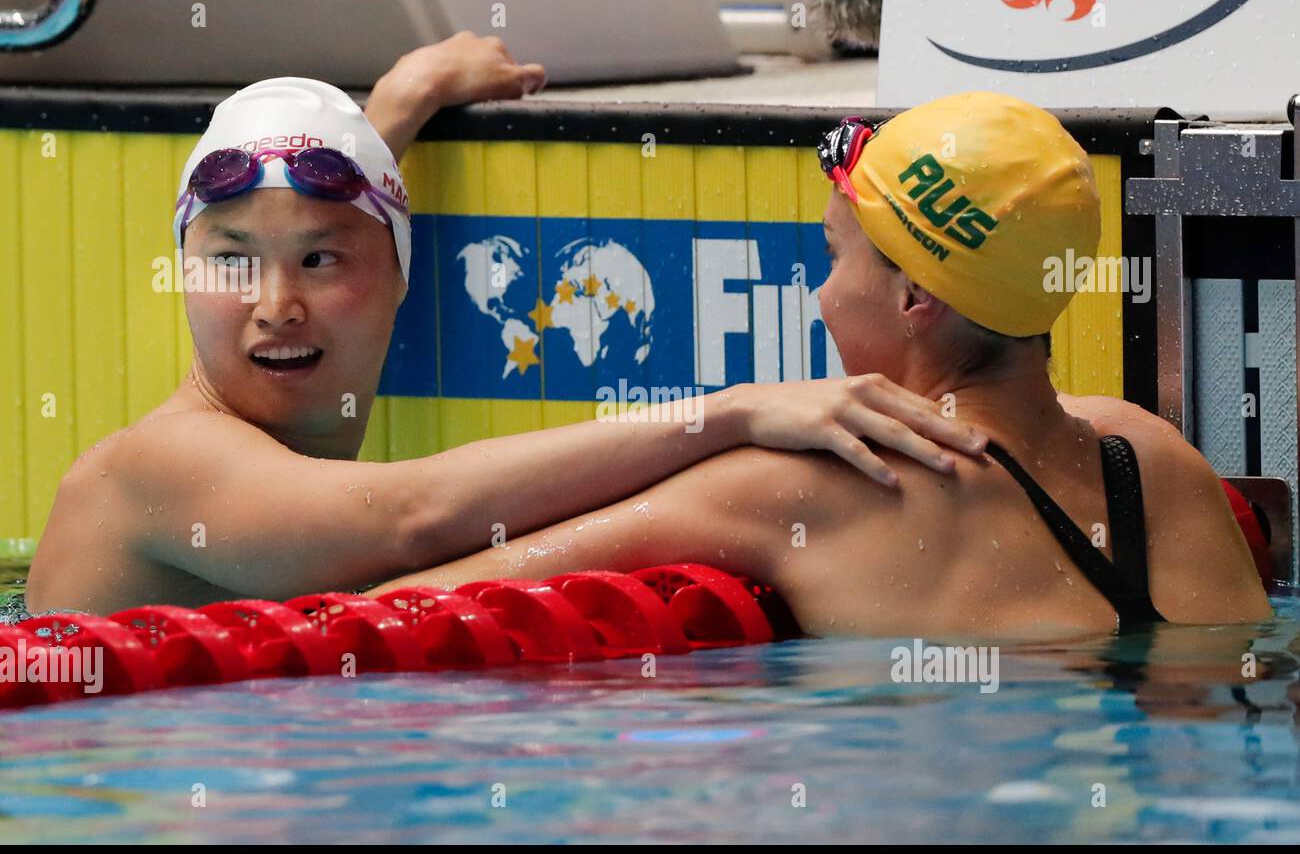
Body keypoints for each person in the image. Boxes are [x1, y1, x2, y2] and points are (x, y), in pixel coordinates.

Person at [23, 36, 986, 617]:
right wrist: (732, 412)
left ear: (397, 276)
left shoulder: (327, 308)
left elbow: (335, 219)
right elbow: (411, 521)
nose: (276, 301)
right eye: (229, 261)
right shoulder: (159, 467)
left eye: (320, 261)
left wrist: (394, 110)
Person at [367, 91, 1273, 638]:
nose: (820, 296)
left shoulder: (821, 484)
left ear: (917, 299)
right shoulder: (1153, 458)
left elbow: (418, 601)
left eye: (834, 259)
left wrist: (728, 413)